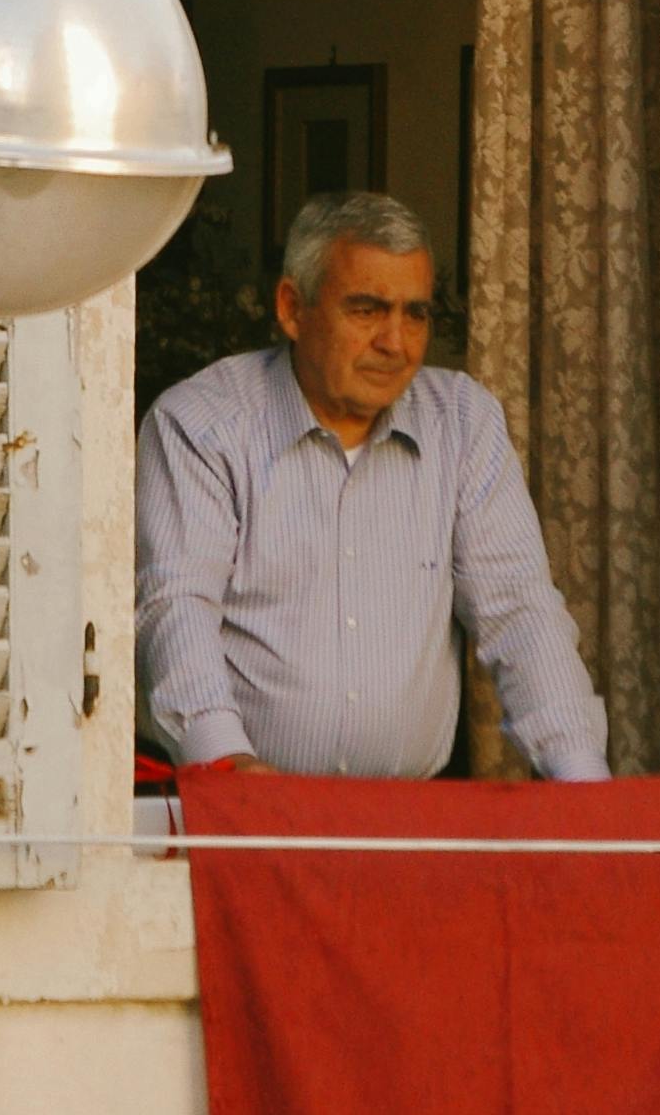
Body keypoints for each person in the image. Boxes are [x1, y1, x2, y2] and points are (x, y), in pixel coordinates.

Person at [134, 187, 609, 781]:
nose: (396, 342)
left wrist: (582, 783)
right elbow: (176, 605)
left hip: (402, 822)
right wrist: (228, 767)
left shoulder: (461, 422)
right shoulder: (203, 425)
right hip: (237, 815)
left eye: (415, 314)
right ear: (292, 308)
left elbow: (519, 610)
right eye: (366, 310)